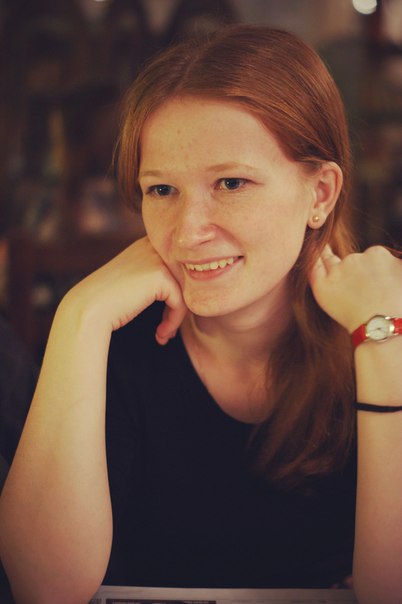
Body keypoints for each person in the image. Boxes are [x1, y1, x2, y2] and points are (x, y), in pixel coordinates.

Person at [0, 24, 401, 604]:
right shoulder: (113, 346)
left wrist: (382, 340)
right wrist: (80, 314)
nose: (188, 232)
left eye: (231, 183)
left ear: (319, 194)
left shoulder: (381, 331)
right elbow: (44, 590)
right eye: (161, 190)